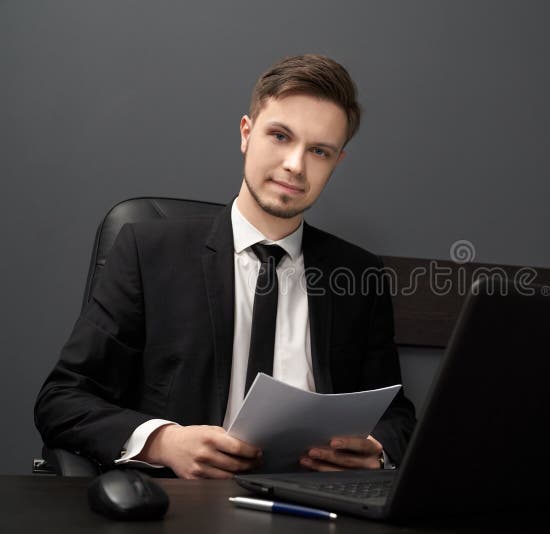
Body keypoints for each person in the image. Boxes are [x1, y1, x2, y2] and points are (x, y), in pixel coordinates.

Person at [34, 54, 416, 479]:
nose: (295, 164)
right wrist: (163, 442)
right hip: (181, 507)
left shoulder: (360, 275)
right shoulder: (148, 252)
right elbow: (61, 399)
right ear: (246, 133)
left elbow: (395, 413)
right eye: (280, 136)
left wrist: (377, 450)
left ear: (336, 163)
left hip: (316, 506)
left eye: (319, 151)